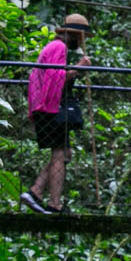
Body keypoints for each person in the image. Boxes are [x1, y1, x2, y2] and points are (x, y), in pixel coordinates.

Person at [21, 13, 90, 213]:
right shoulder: (58, 47)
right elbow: (56, 79)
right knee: (60, 153)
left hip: (44, 105)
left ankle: (35, 192)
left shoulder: (54, 47)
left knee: (64, 153)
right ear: (74, 35)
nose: (81, 41)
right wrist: (78, 68)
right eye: (80, 37)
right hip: (49, 107)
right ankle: (54, 204)